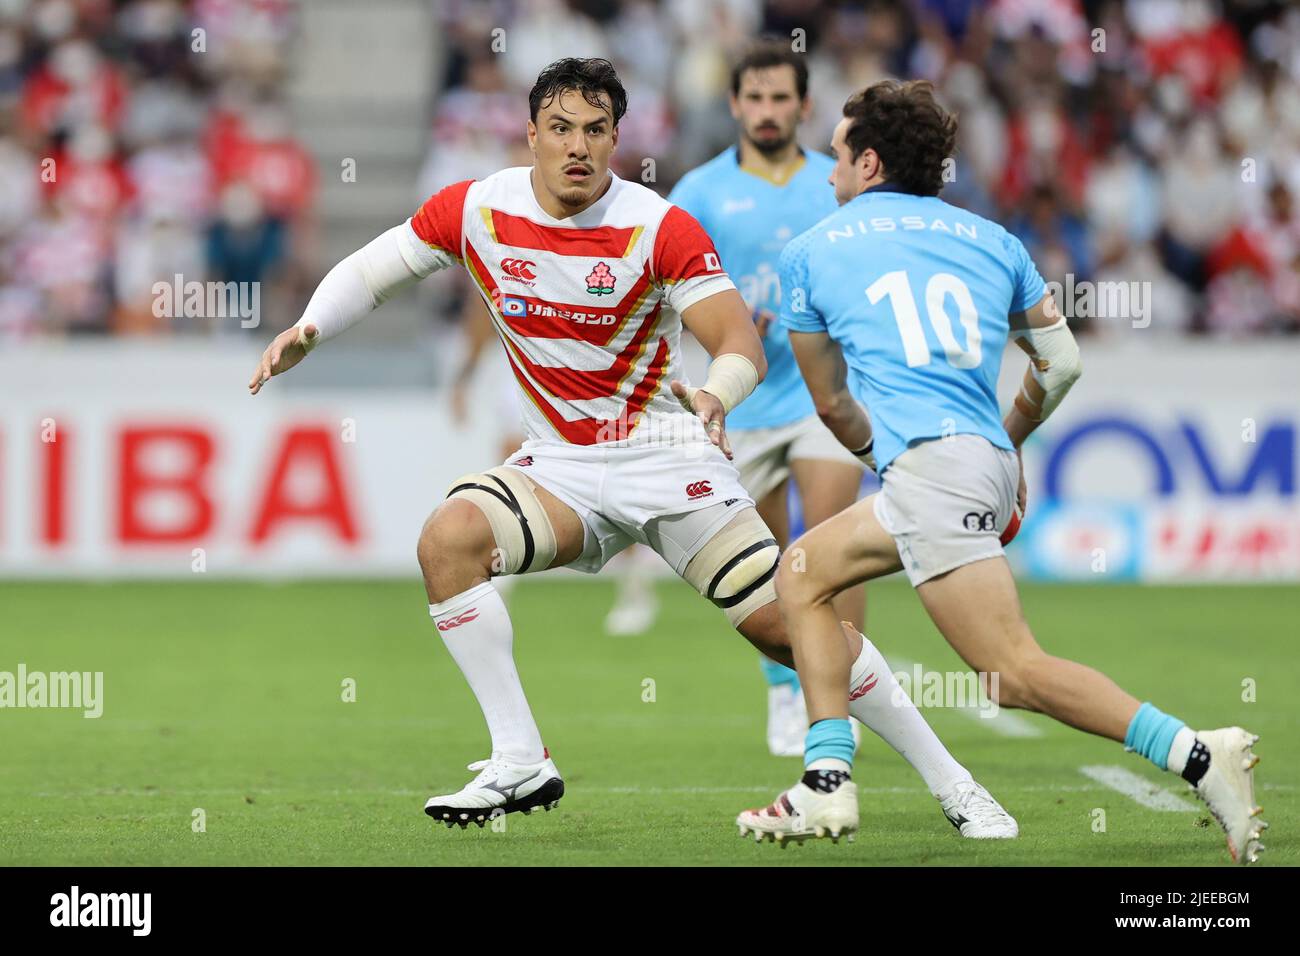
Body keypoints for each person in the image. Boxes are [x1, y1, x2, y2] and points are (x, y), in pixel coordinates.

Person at [249, 59, 1015, 838]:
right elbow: (376, 268)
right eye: (560, 129)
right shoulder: (477, 208)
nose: (577, 147)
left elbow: (737, 337)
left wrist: (717, 391)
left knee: (789, 625)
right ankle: (519, 759)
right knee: (449, 541)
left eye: (595, 130)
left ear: (617, 137)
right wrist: (311, 325)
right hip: (562, 467)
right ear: (531, 135)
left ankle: (956, 785)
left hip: (666, 457)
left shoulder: (656, 224)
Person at [738, 80, 1265, 864]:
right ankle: (826, 775)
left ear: (870, 163)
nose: (828, 172)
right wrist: (1008, 440)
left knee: (1012, 672)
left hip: (931, 470)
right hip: (980, 459)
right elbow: (1061, 364)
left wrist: (892, 459)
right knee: (806, 571)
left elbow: (833, 405)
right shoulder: (994, 240)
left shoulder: (814, 250)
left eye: (839, 155)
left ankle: (1197, 752)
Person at [661, 41, 866, 757]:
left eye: (782, 98)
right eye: (756, 97)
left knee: (839, 539)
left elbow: (866, 273)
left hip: (824, 393)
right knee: (770, 559)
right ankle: (785, 690)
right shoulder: (698, 192)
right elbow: (664, 289)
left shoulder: (836, 183)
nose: (769, 110)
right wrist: (728, 324)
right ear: (735, 104)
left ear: (805, 105)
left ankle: (836, 700)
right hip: (738, 402)